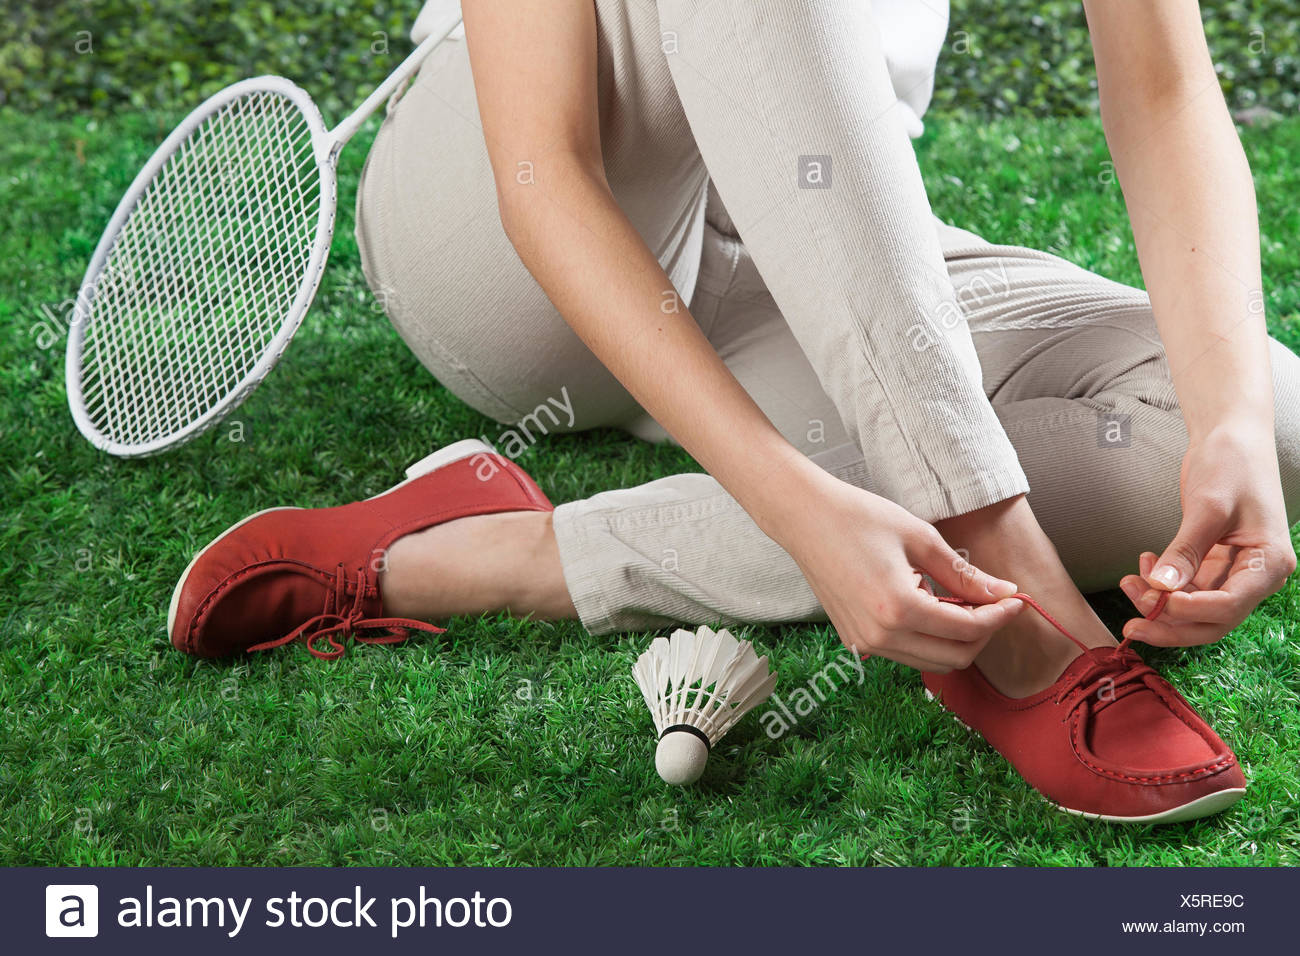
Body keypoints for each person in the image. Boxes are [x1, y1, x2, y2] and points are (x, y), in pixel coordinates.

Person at [170, 0, 1300, 823]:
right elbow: (541, 174)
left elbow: (1160, 87)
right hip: (523, 237)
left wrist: (1232, 424)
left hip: (801, 240)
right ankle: (1002, 578)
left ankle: (506, 549)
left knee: (1267, 411)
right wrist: (794, 507)